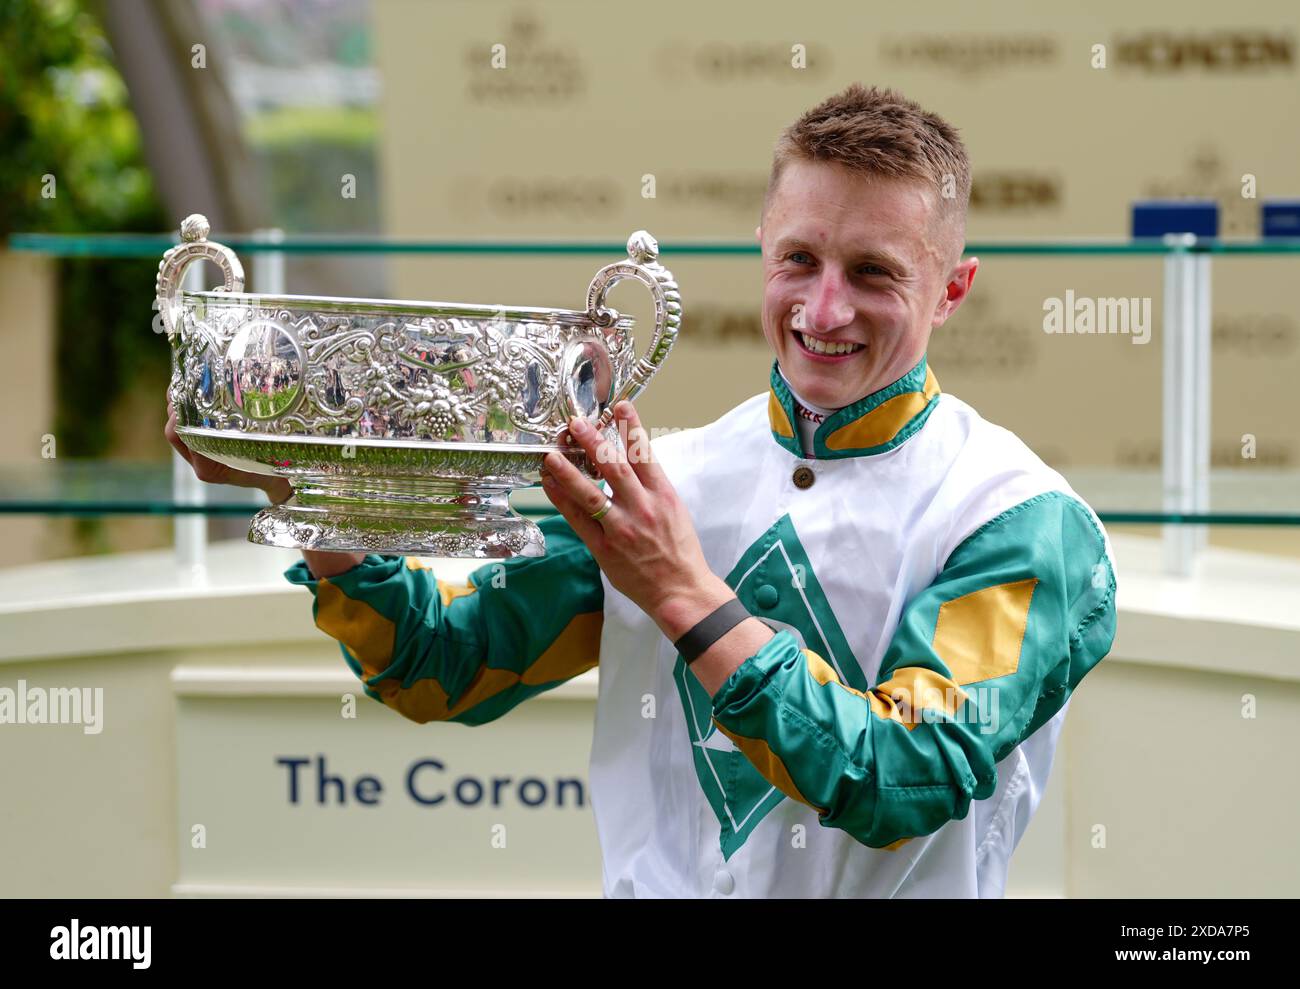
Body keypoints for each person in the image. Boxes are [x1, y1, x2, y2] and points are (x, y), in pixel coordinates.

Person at [166, 83, 1116, 898]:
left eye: (874, 273)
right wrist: (310, 489)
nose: (824, 309)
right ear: (761, 247)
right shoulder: (677, 474)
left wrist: (681, 592)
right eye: (799, 259)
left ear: (953, 289)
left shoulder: (1023, 519)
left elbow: (895, 779)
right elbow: (437, 665)